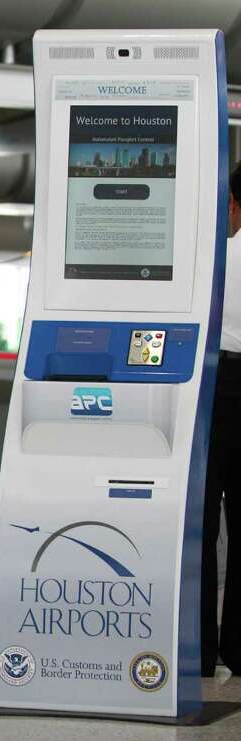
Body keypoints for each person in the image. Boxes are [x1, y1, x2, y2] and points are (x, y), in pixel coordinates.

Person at [204, 162, 241, 676]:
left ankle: (197, 650)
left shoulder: (218, 251)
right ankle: (237, 648)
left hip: (215, 385)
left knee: (200, 521)